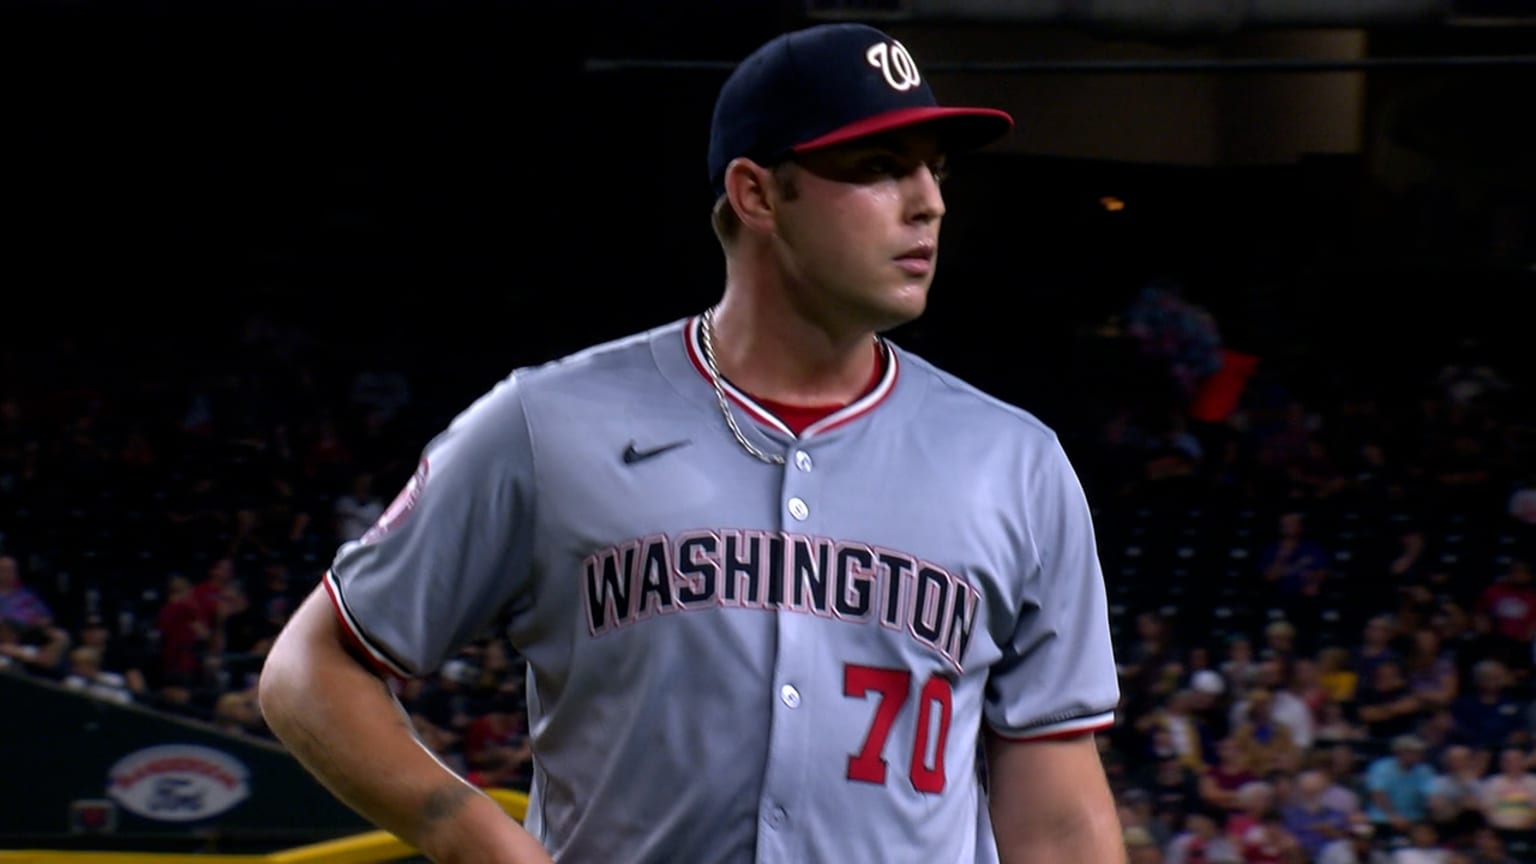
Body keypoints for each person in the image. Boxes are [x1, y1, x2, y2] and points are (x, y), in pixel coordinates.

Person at [257, 21, 1125, 864]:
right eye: (878, 168)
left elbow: (1056, 820)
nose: (928, 201)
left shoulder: (1017, 464)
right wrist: (470, 833)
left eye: (932, 170)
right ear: (756, 194)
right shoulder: (550, 423)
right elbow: (310, 667)